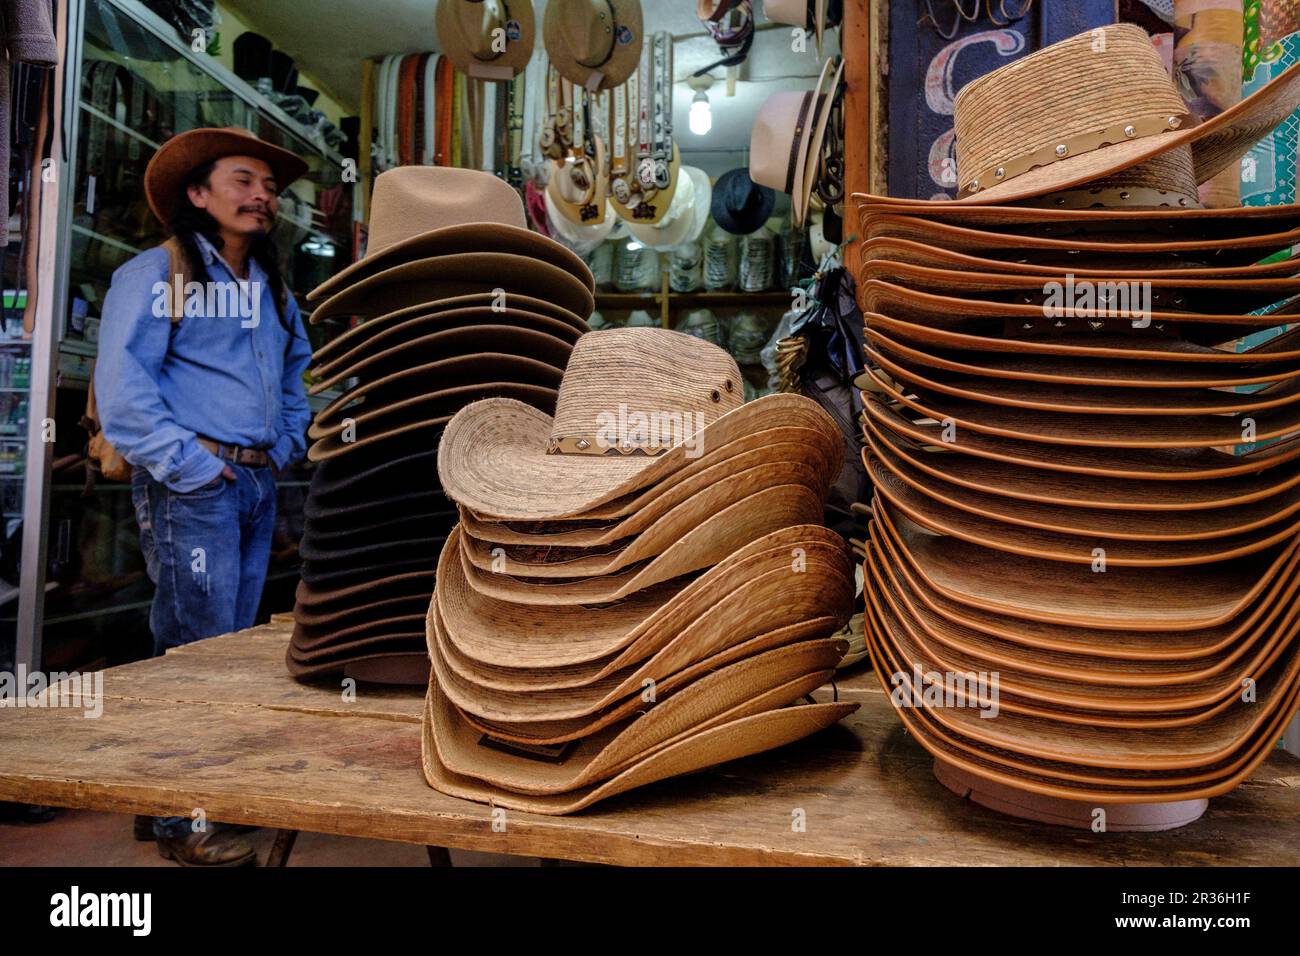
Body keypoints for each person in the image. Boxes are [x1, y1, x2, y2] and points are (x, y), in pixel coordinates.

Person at [94, 127, 313, 866]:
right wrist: (191, 467)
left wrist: (283, 441)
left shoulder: (271, 289)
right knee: (198, 648)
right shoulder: (158, 274)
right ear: (198, 194)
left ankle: (167, 801)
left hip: (252, 480)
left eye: (270, 188)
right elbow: (124, 391)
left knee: (223, 642)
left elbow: (296, 375)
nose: (262, 197)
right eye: (244, 181)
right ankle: (185, 822)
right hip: (196, 487)